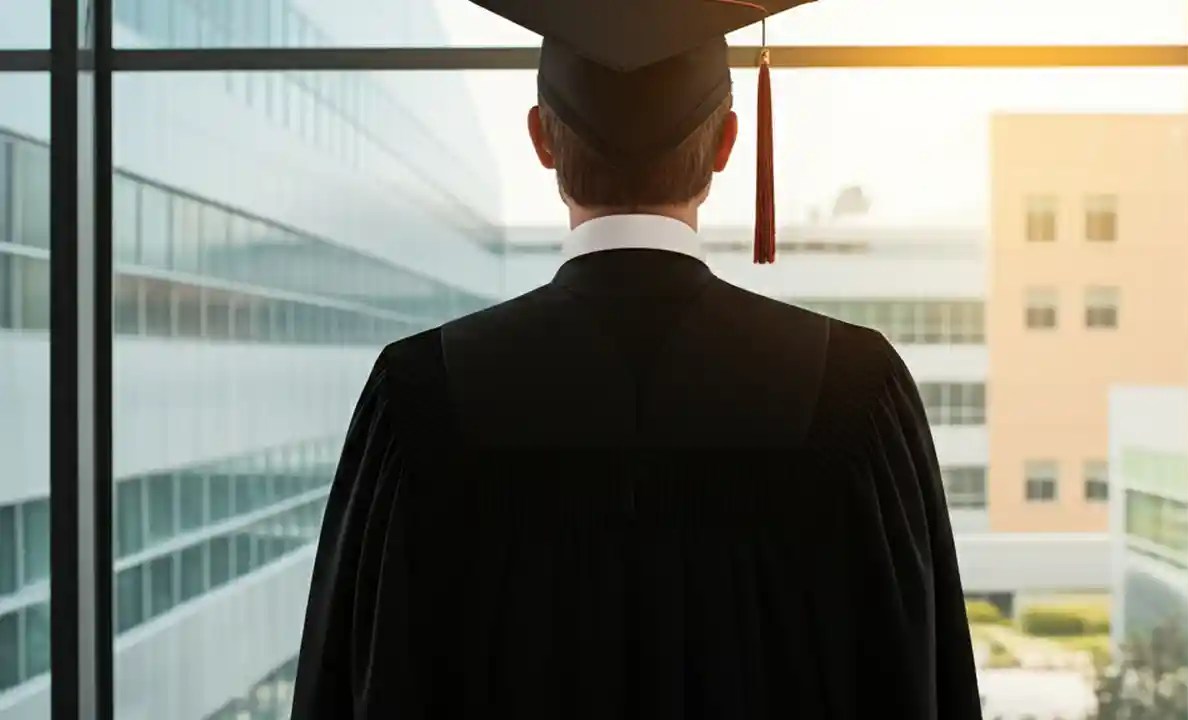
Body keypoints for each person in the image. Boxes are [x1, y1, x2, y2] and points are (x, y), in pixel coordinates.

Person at [291, 0, 982, 717]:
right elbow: (921, 686)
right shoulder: (854, 392)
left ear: (541, 139)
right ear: (728, 143)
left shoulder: (419, 397)